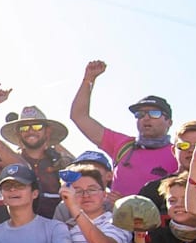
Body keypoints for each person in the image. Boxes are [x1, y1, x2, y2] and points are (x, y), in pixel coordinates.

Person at [69, 61, 179, 197]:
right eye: (140, 114)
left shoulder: (179, 153)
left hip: (158, 218)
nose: (146, 118)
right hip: (117, 217)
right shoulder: (122, 144)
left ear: (169, 122)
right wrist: (88, 80)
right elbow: (79, 116)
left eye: (154, 113)